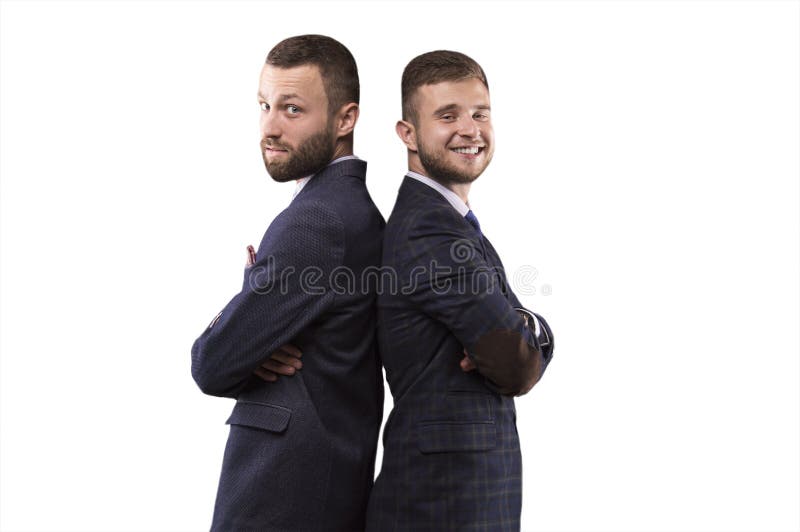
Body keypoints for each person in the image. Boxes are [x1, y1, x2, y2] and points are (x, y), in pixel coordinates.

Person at [191, 34, 384, 531]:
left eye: (292, 109)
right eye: (265, 105)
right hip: (321, 488)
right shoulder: (352, 211)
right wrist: (254, 339)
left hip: (282, 497)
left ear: (345, 119)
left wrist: (246, 328)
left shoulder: (316, 221)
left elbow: (210, 364)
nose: (270, 128)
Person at [365, 50, 554, 531]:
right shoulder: (430, 230)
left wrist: (521, 326)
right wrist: (524, 330)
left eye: (480, 114)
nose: (470, 130)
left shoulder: (449, 222)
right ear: (408, 133)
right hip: (442, 506)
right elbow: (515, 364)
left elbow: (512, 343)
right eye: (447, 116)